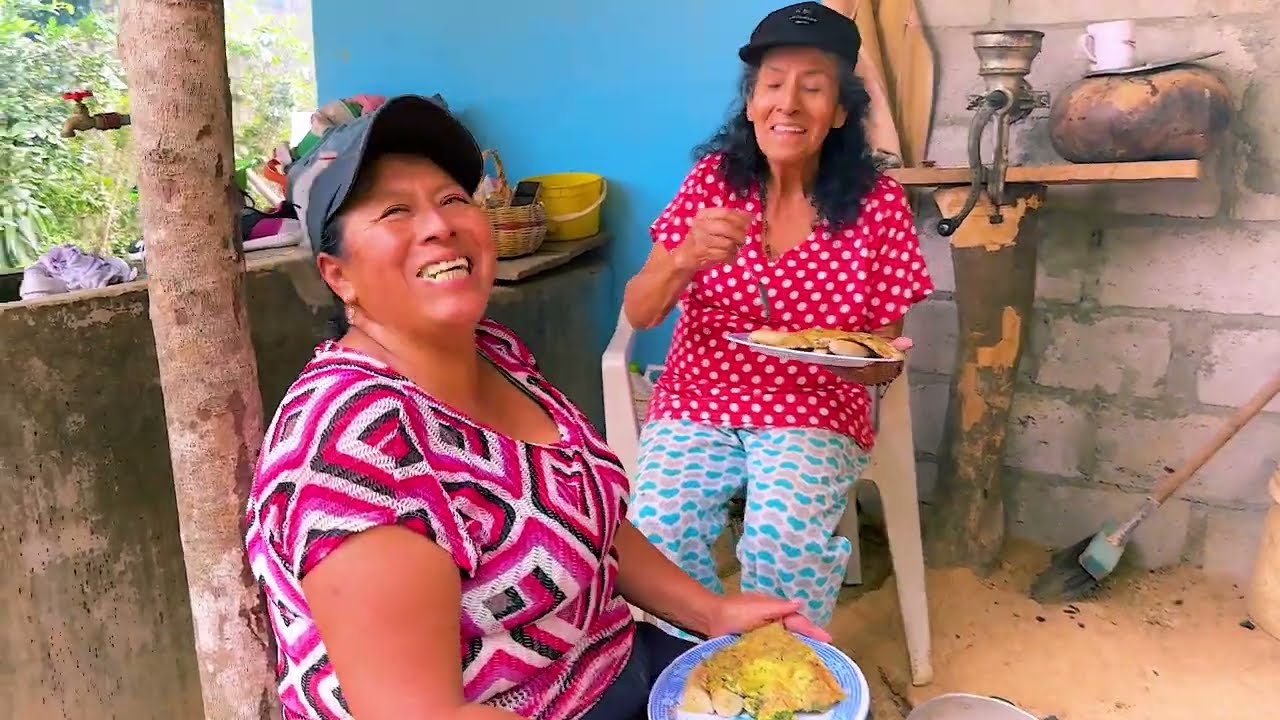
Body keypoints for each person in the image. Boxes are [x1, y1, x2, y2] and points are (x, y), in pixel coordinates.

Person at [242, 94, 830, 720]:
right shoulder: (354, 453)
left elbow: (580, 520)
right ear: (339, 275)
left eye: (452, 198)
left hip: (617, 668)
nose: (439, 225)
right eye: (394, 211)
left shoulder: (492, 351)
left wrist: (711, 610)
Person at [621, 1, 935, 634]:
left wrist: (876, 361)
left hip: (814, 403)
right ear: (750, 102)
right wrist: (683, 259)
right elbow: (641, 308)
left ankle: (785, 669)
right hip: (699, 396)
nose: (788, 103)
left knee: (786, 538)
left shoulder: (878, 204)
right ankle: (696, 662)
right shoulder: (712, 182)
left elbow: (877, 357)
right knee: (659, 524)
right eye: (772, 84)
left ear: (841, 111)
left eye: (813, 87)